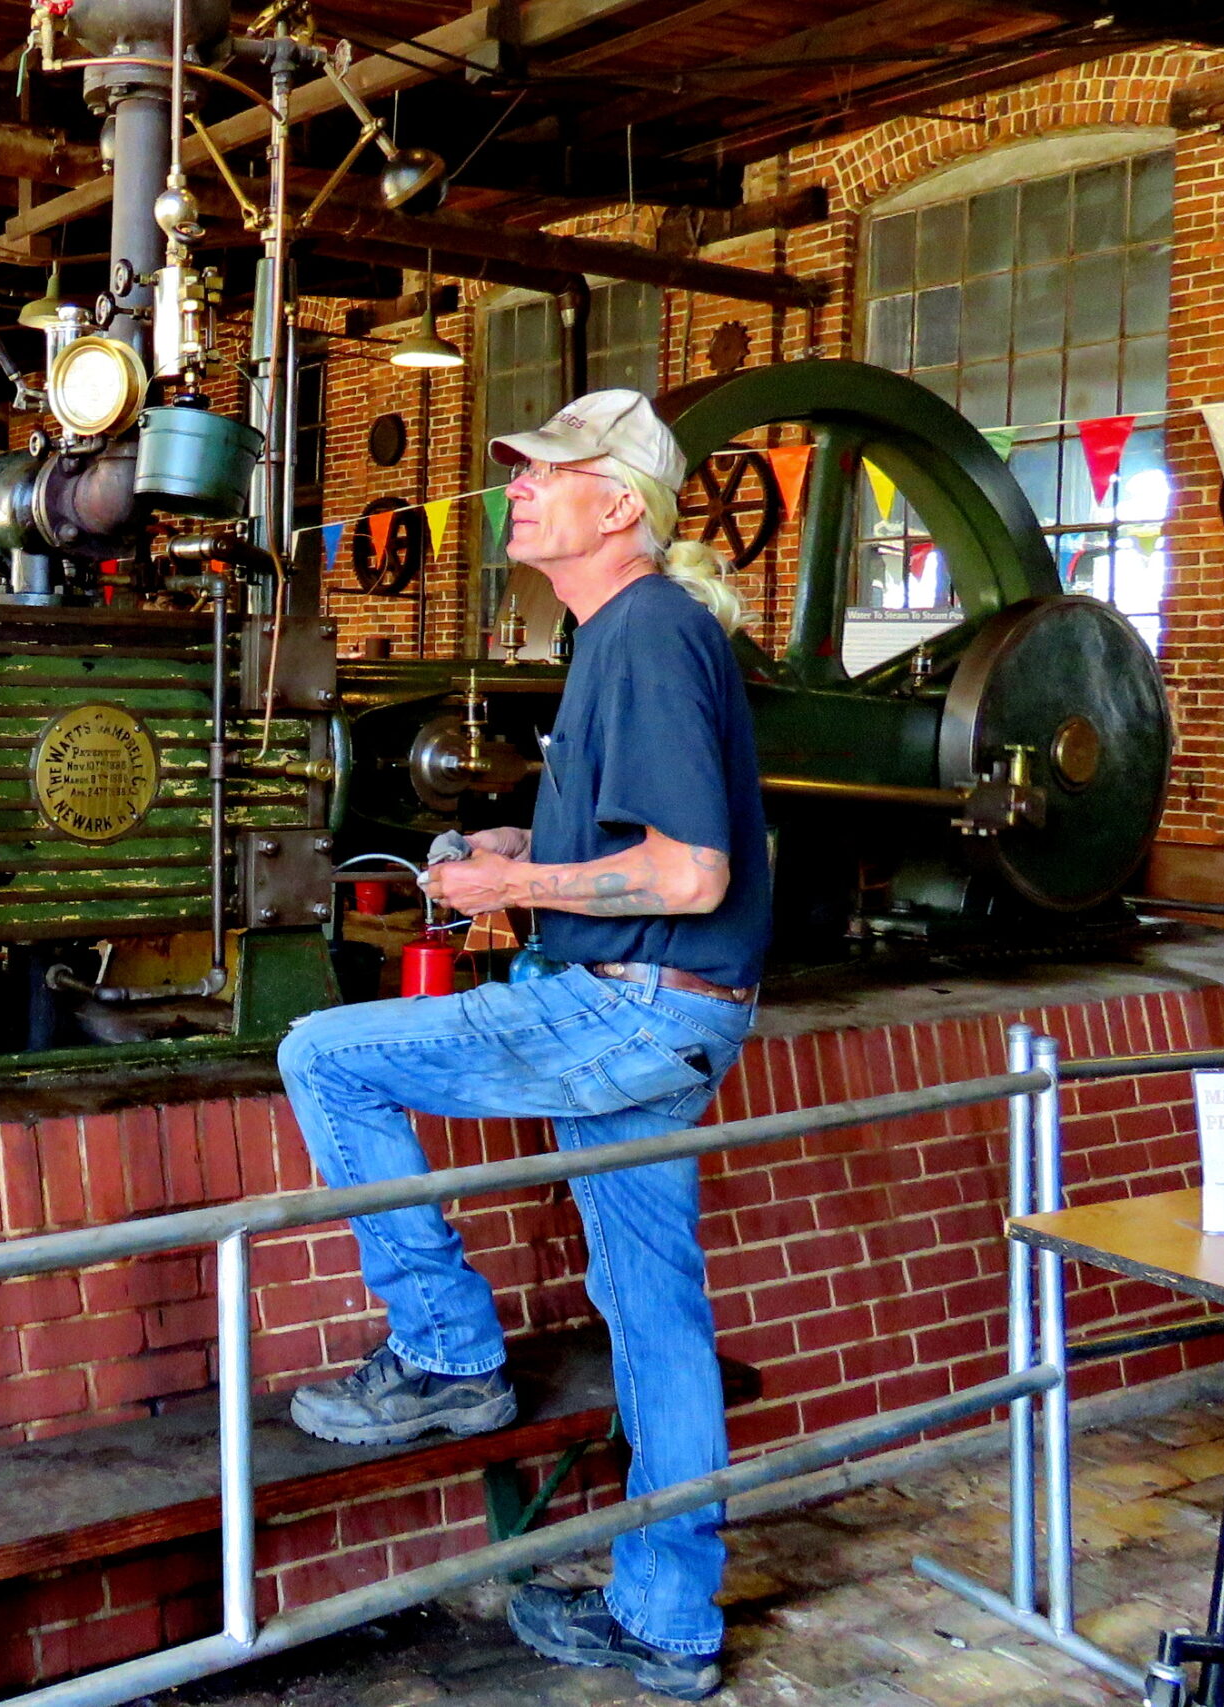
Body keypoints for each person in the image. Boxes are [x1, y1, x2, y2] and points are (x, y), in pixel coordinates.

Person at [276, 390, 769, 1701]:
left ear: (620, 505)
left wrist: (520, 896)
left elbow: (690, 871)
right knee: (656, 1315)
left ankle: (444, 1354)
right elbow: (632, 850)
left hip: (631, 1005)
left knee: (325, 1054)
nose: (521, 491)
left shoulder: (649, 633)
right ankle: (669, 1620)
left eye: (550, 473)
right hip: (671, 1014)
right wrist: (517, 854)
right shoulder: (620, 636)